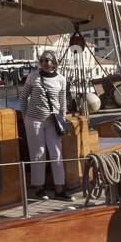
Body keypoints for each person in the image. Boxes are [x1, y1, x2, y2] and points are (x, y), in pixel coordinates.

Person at [19, 50, 72, 200]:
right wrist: (25, 117)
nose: (45, 63)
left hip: (52, 122)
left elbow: (62, 104)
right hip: (34, 121)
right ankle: (39, 187)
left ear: (54, 62)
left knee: (56, 153)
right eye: (42, 60)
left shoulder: (61, 79)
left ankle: (59, 188)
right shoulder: (33, 76)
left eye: (48, 60)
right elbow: (23, 97)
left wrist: (62, 120)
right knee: (38, 153)